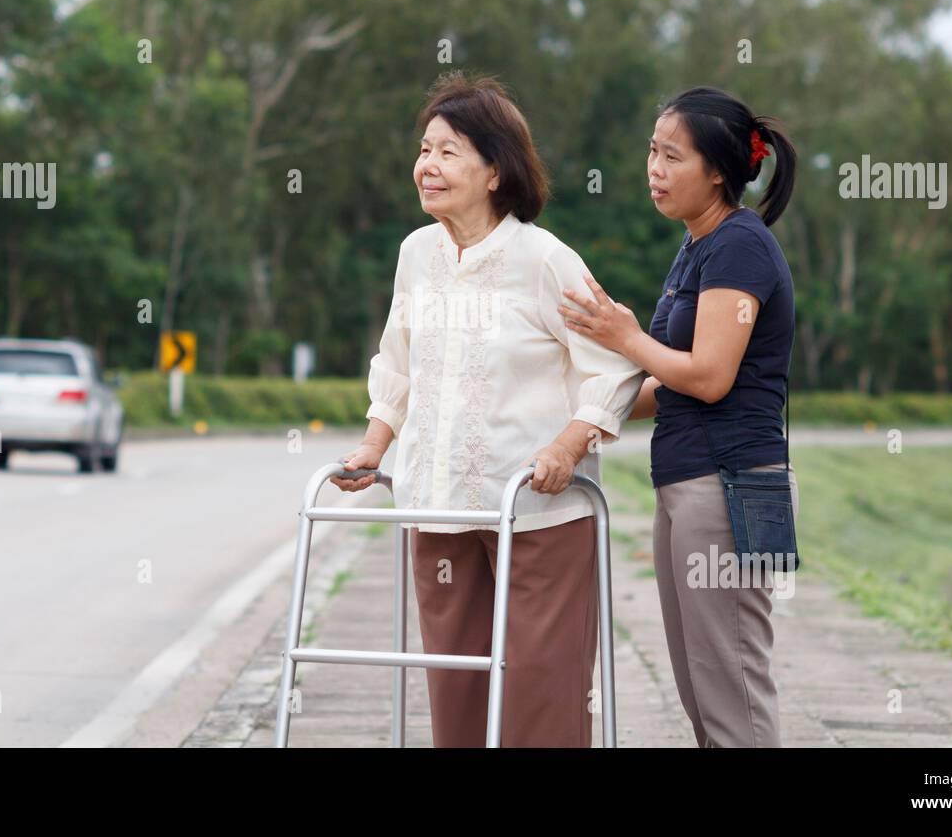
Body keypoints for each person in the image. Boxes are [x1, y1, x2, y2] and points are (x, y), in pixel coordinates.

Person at [334, 71, 645, 747]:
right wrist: (373, 444)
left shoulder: (544, 259)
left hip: (534, 508)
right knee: (456, 684)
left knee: (542, 684)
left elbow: (614, 368)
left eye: (448, 152)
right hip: (439, 504)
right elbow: (397, 360)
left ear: (496, 169)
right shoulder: (416, 255)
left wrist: (567, 447)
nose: (428, 166)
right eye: (424, 150)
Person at [558, 86, 800, 747]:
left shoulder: (739, 246)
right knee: (701, 687)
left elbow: (712, 376)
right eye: (651, 153)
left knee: (734, 689)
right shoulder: (698, 246)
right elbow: (672, 387)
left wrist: (625, 336)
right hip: (690, 483)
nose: (653, 170)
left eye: (672, 156)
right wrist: (577, 417)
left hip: (734, 485)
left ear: (716, 171)